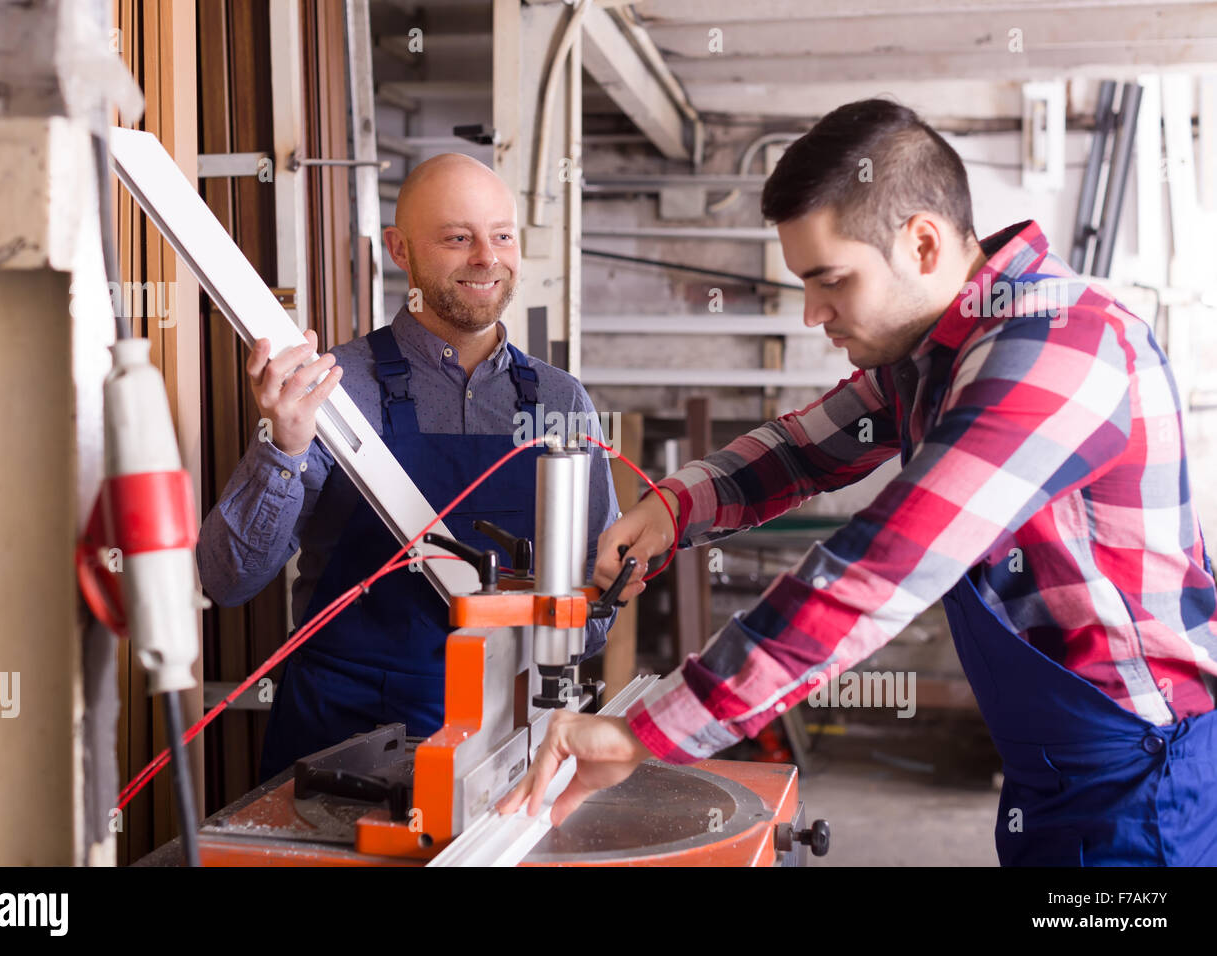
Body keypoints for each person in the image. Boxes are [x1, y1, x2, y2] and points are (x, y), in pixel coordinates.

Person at [501, 99, 1217, 867]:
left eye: (830, 281)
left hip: (1141, 782)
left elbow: (880, 570)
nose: (814, 314)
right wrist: (675, 508)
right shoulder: (938, 351)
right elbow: (802, 449)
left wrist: (645, 730)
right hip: (1058, 770)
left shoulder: (1061, 349)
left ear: (922, 242)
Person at [198, 153, 620, 781]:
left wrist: (551, 658)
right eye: (457, 237)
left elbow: (596, 584)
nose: (487, 257)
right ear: (399, 248)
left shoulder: (560, 401)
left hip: (506, 736)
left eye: (501, 235)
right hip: (341, 742)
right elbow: (227, 579)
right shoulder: (334, 389)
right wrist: (283, 447)